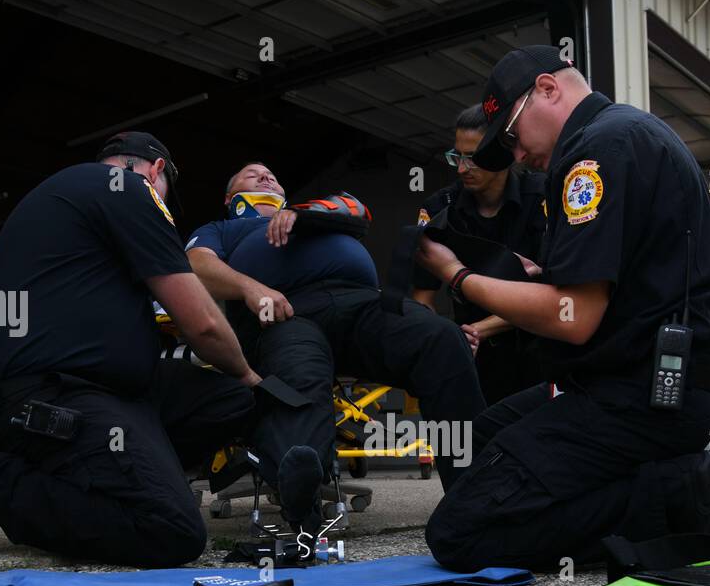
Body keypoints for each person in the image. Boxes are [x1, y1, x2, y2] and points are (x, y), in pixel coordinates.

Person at [418, 47, 710, 572]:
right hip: (645, 381)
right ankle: (579, 503)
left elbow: (575, 317)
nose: (516, 153)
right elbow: (615, 286)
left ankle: (681, 493)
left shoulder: (596, 152)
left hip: (640, 396)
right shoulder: (625, 135)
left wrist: (458, 275)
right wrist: (537, 277)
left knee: (458, 534)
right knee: (476, 438)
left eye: (512, 134)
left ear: (548, 89)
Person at [0, 131, 260, 567]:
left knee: (225, 400)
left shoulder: (70, 197)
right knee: (170, 529)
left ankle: (109, 484)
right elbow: (206, 326)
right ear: (157, 171)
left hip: (81, 390)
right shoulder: (133, 189)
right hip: (48, 395)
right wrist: (251, 375)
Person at [185, 162, 485, 533]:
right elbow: (195, 265)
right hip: (286, 313)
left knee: (442, 338)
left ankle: (475, 496)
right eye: (251, 174)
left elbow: (356, 208)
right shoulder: (223, 230)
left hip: (362, 303)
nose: (266, 176)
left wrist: (301, 213)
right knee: (298, 380)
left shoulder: (319, 212)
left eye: (272, 175)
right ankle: (302, 513)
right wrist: (250, 287)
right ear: (231, 199)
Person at [412, 105, 548, 404]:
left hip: (540, 359)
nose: (461, 169)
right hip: (470, 363)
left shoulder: (542, 198)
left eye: (472, 158)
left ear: (503, 154)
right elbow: (422, 300)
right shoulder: (439, 208)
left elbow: (554, 295)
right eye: (456, 156)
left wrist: (476, 331)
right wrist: (444, 338)